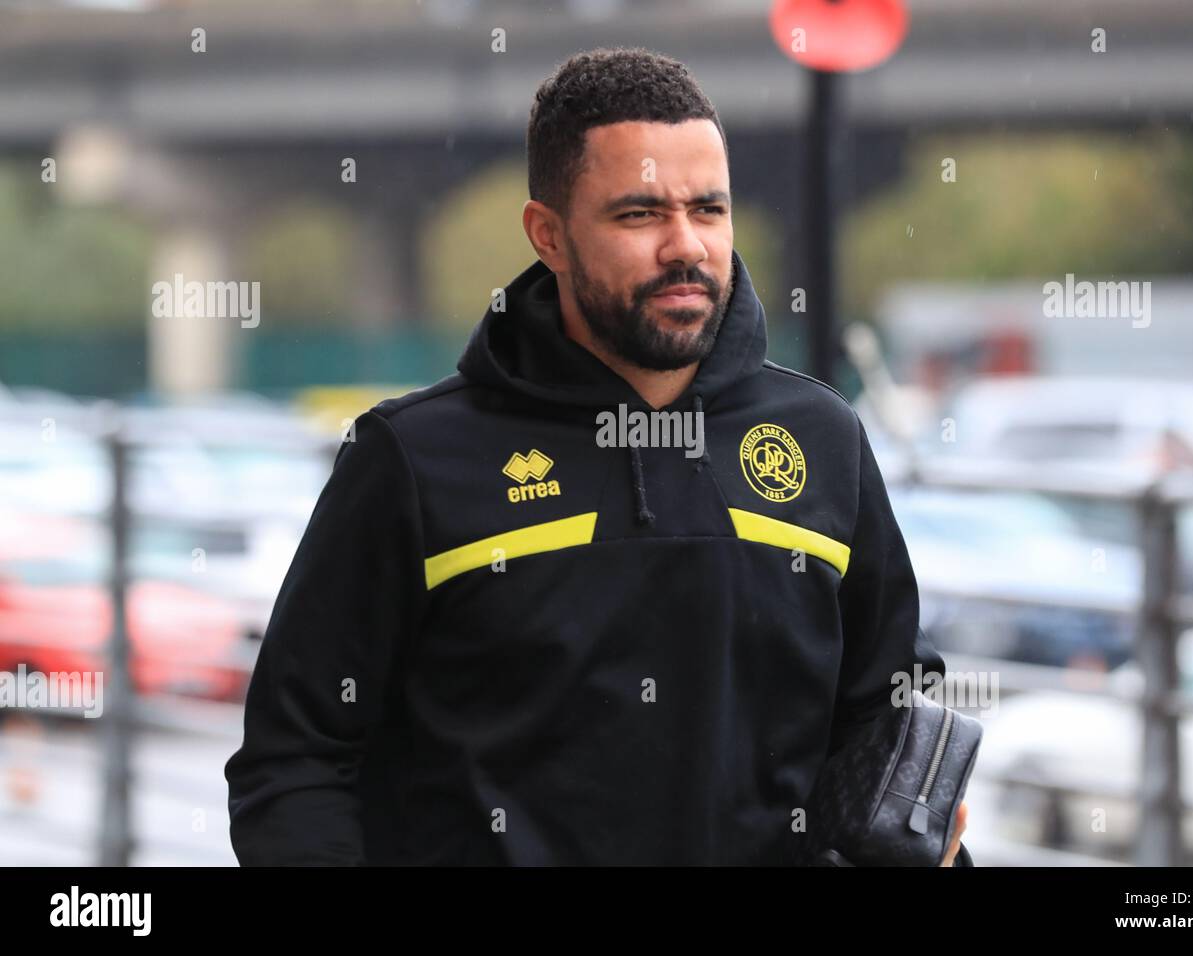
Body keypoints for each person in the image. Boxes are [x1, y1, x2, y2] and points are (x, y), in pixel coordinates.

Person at [225, 46, 969, 866]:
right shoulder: (411, 459)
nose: (685, 246)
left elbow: (888, 716)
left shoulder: (822, 438)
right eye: (640, 213)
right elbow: (294, 760)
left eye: (709, 210)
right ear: (549, 235)